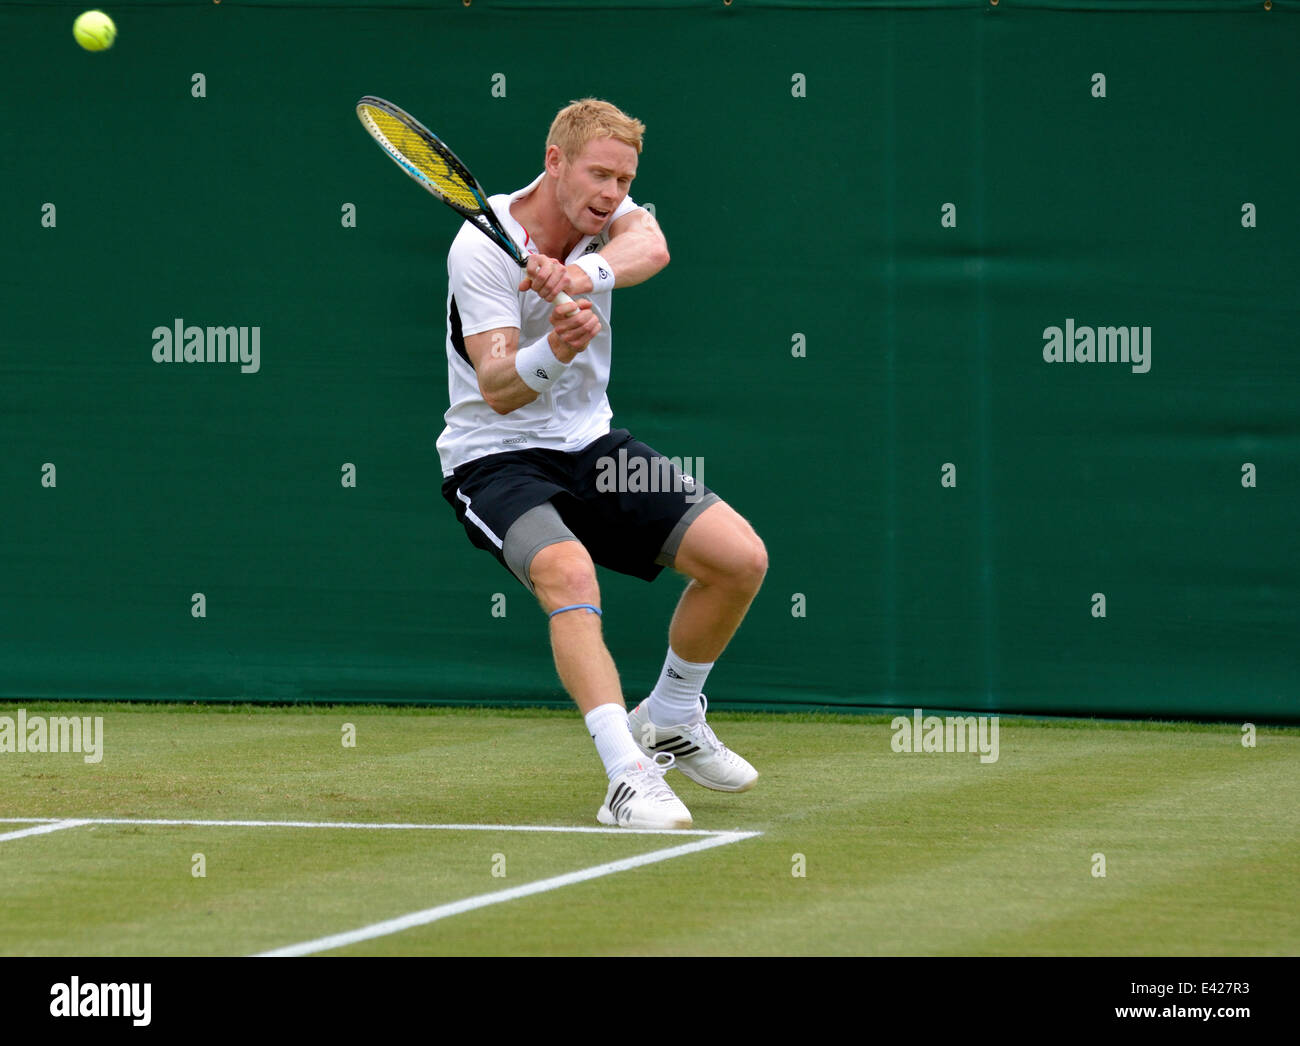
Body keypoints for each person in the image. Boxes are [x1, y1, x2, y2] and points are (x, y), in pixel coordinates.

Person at [438, 98, 767, 828]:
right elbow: (496, 389)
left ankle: (674, 714)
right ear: (554, 162)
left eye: (623, 179)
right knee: (568, 572)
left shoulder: (610, 220)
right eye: (599, 176)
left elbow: (651, 248)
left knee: (740, 558)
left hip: (592, 448)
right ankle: (627, 778)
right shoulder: (481, 247)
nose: (612, 194)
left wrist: (581, 280)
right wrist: (554, 351)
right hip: (495, 460)